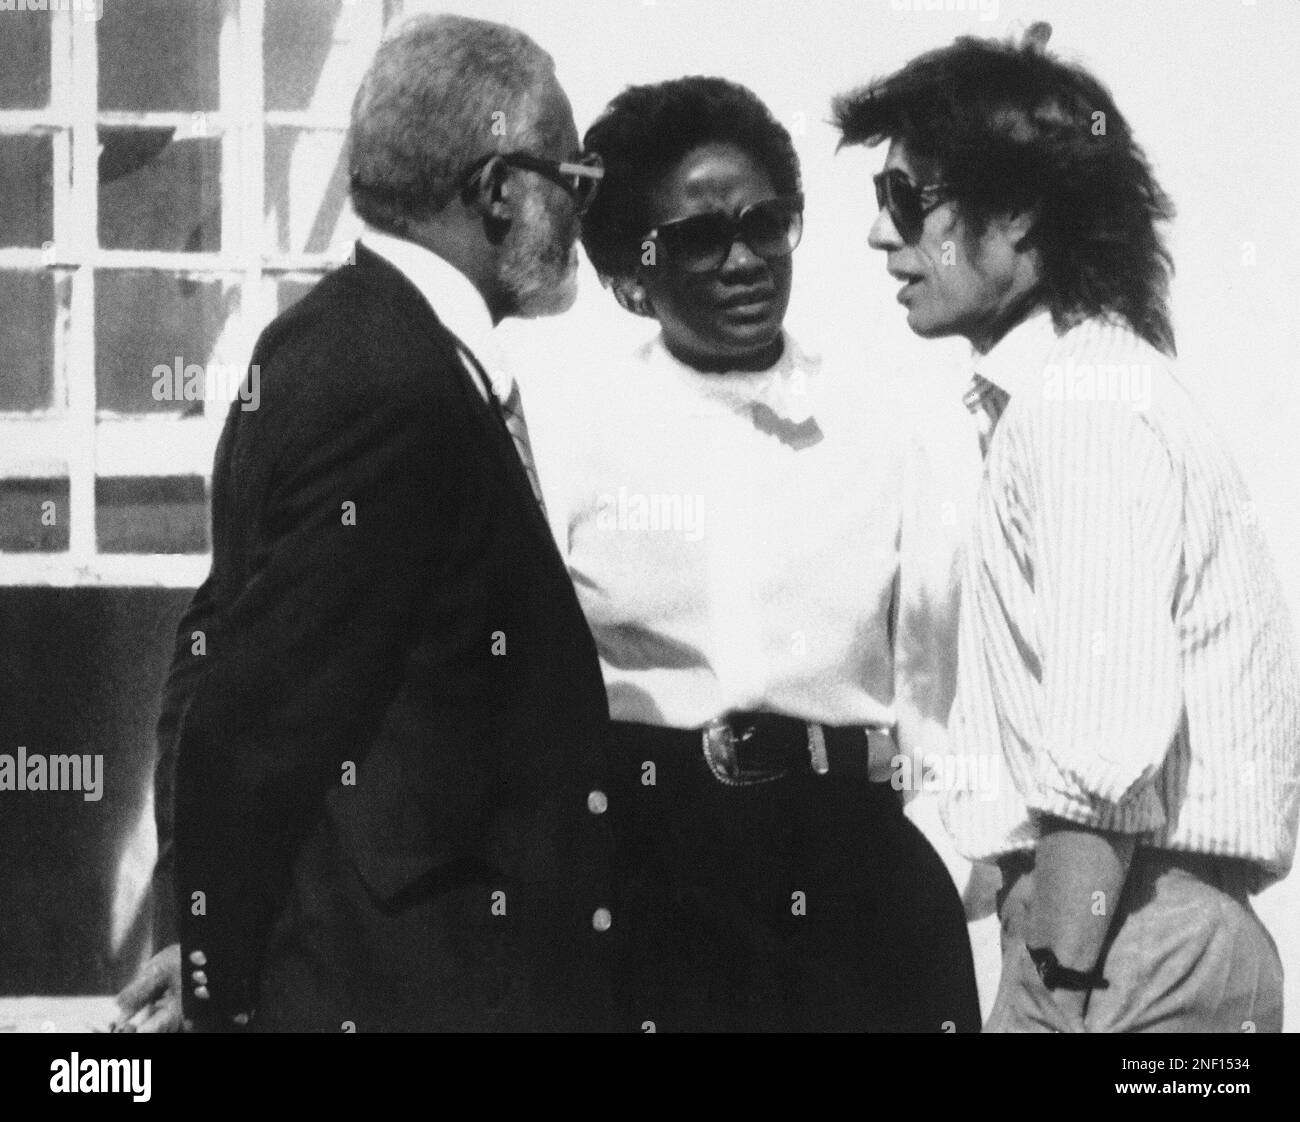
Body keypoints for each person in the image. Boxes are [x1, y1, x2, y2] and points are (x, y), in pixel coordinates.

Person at [115, 13, 617, 1032]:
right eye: (576, 178)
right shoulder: (391, 380)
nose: (582, 209)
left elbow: (211, 647)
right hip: (406, 986)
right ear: (497, 189)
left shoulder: (332, 339)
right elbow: (249, 718)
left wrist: (188, 925)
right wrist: (212, 972)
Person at [834, 24, 1300, 1032]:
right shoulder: (1086, 393)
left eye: (907, 200)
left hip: (1121, 947)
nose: (882, 236)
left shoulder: (1078, 408)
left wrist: (1056, 980)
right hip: (1141, 940)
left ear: (1019, 212)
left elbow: (1101, 758)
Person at [522, 75, 982, 1032]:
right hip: (649, 888)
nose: (743, 261)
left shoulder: (885, 427)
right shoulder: (569, 433)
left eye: (767, 225)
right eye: (699, 238)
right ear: (630, 273)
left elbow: (942, 689)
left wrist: (958, 850)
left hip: (853, 886)